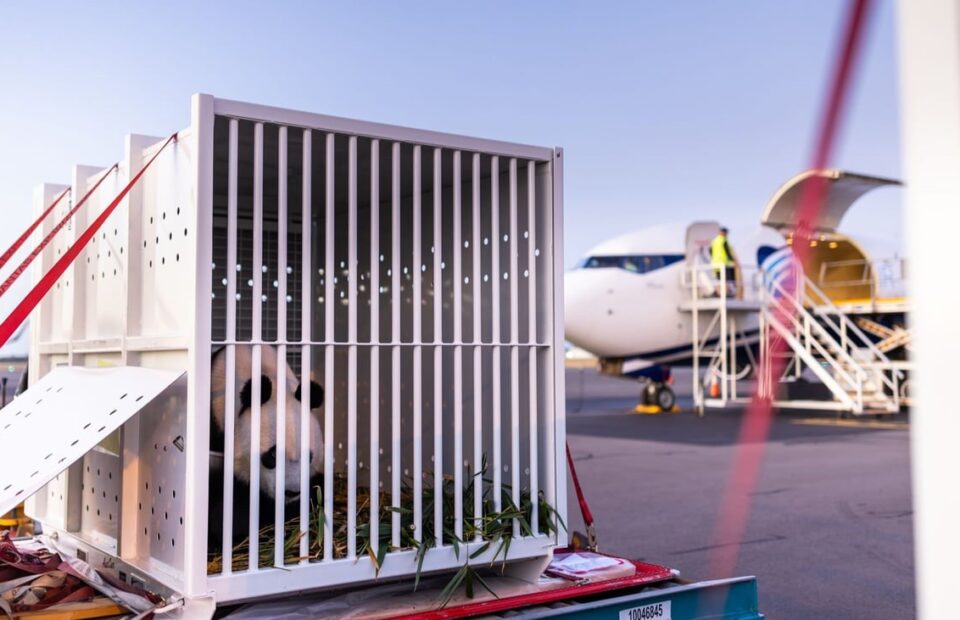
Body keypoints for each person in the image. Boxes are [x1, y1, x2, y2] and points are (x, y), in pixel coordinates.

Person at [710, 227, 737, 297]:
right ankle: (727, 293)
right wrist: (732, 260)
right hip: (723, 263)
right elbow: (727, 251)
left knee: (720, 280)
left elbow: (710, 250)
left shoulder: (715, 240)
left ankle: (717, 293)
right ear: (724, 233)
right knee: (727, 279)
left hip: (715, 264)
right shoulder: (724, 240)